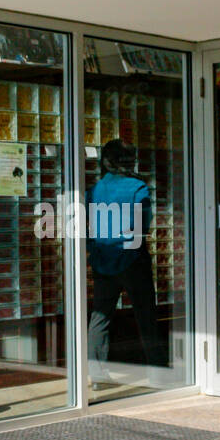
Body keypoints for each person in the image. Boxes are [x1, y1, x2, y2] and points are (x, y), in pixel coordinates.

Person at [87, 139, 164, 388]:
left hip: (102, 261)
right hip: (133, 260)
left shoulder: (95, 190)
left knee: (100, 318)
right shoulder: (137, 187)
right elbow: (143, 225)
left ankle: (97, 375)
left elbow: (89, 227)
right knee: (146, 317)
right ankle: (156, 373)